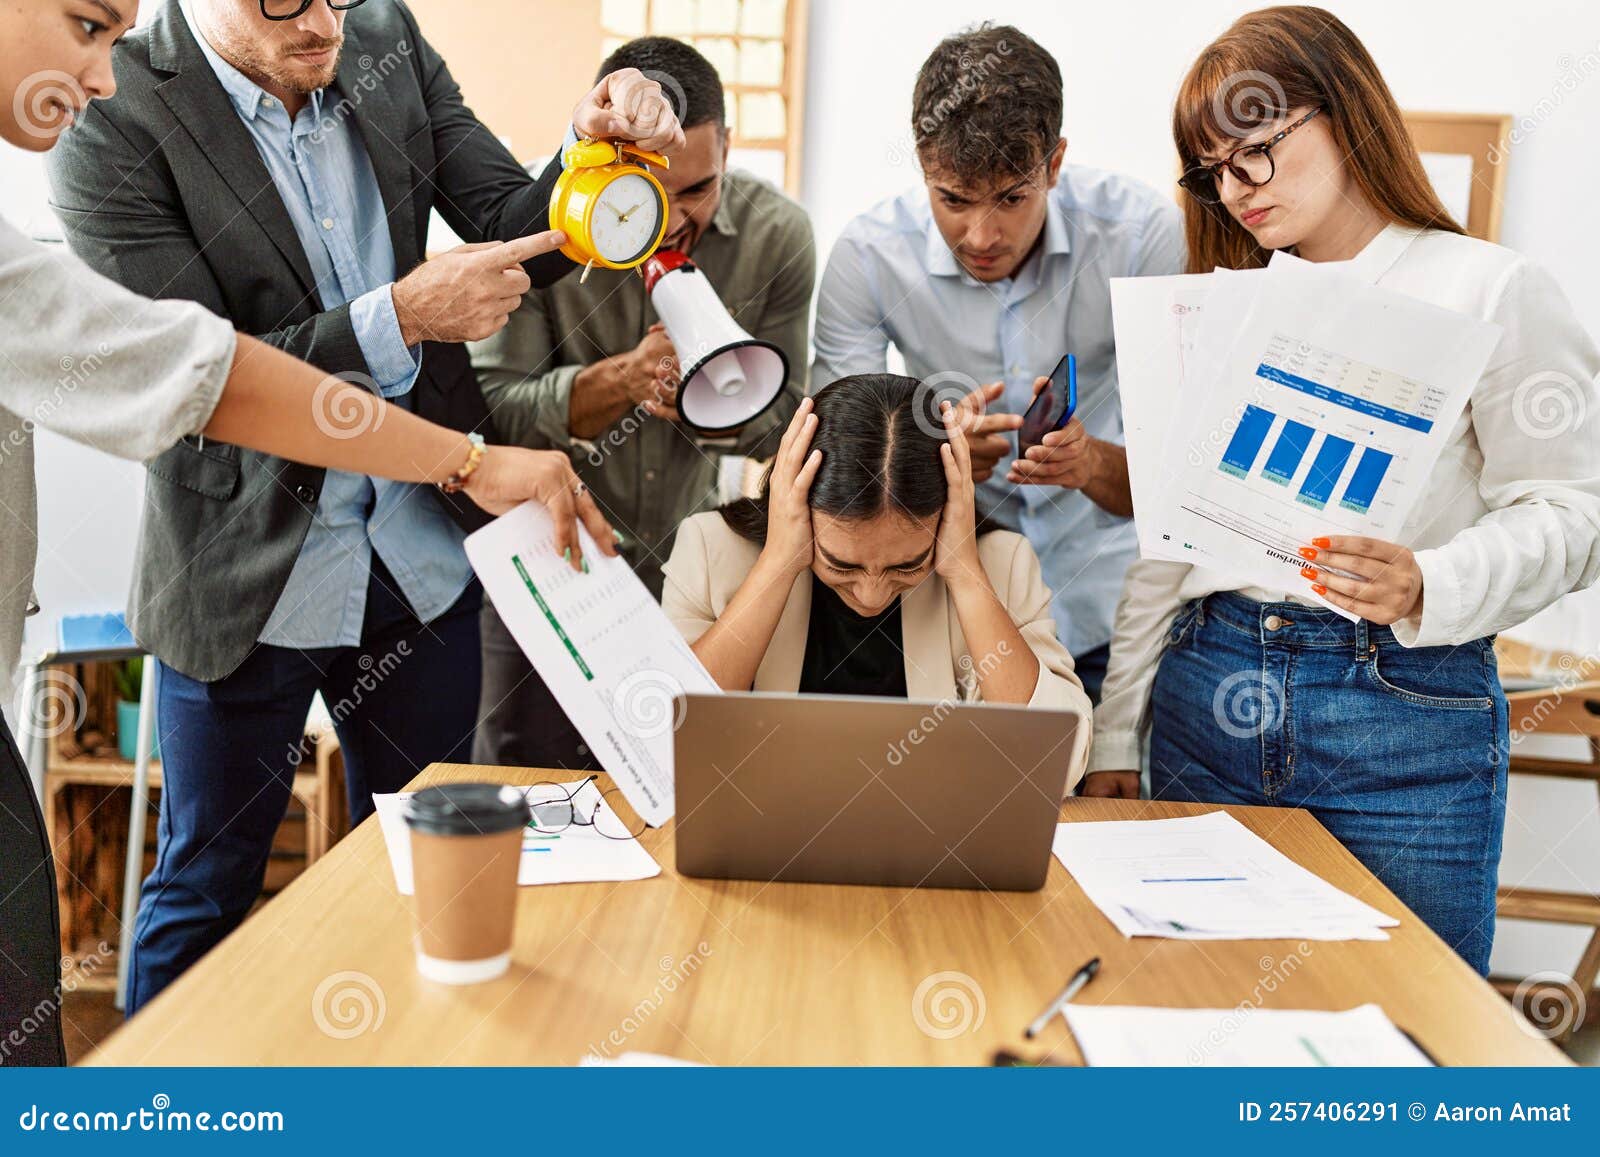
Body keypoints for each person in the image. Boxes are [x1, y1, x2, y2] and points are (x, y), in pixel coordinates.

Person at [0, 0, 619, 1062]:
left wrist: (596, 150)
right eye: (283, 0)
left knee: (434, 867)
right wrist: (406, 326)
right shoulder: (117, 116)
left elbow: (521, 221)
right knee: (205, 883)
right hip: (244, 570)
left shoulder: (382, 40)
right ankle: (158, 1113)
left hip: (417, 556)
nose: (325, 21)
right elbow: (198, 373)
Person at [1085, 5, 1600, 975]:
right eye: (1212, 171)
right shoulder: (1219, 299)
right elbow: (1170, 535)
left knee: (1416, 1017)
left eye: (1257, 153)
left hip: (1402, 701)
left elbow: (1576, 514)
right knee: (1201, 1010)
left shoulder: (1489, 289)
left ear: (1345, 113)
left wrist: (1428, 579)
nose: (1234, 190)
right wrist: (1117, 731)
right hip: (1209, 684)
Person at [812, 23, 1185, 704]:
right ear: (923, 163)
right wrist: (939, 462)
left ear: (1055, 163)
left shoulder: (1142, 241)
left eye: (1012, 197)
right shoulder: (868, 258)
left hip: (1116, 618)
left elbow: (1187, 488)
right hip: (948, 621)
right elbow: (839, 474)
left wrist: (1091, 462)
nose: (981, 237)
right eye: (953, 199)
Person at [470, 36, 815, 771]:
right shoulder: (538, 218)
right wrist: (620, 382)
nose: (675, 217)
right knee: (523, 788)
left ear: (728, 145)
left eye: (700, 189)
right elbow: (494, 411)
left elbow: (787, 423)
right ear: (609, 155)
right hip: (549, 563)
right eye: (658, 189)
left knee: (677, 786)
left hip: (688, 573)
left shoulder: (777, 236)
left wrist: (708, 403)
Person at [661, 375, 1092, 787]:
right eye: (842, 565)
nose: (872, 595)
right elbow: (663, 745)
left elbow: (1059, 764)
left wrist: (964, 573)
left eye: (905, 566)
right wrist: (778, 561)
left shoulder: (1001, 563)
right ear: (793, 505)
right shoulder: (712, 549)